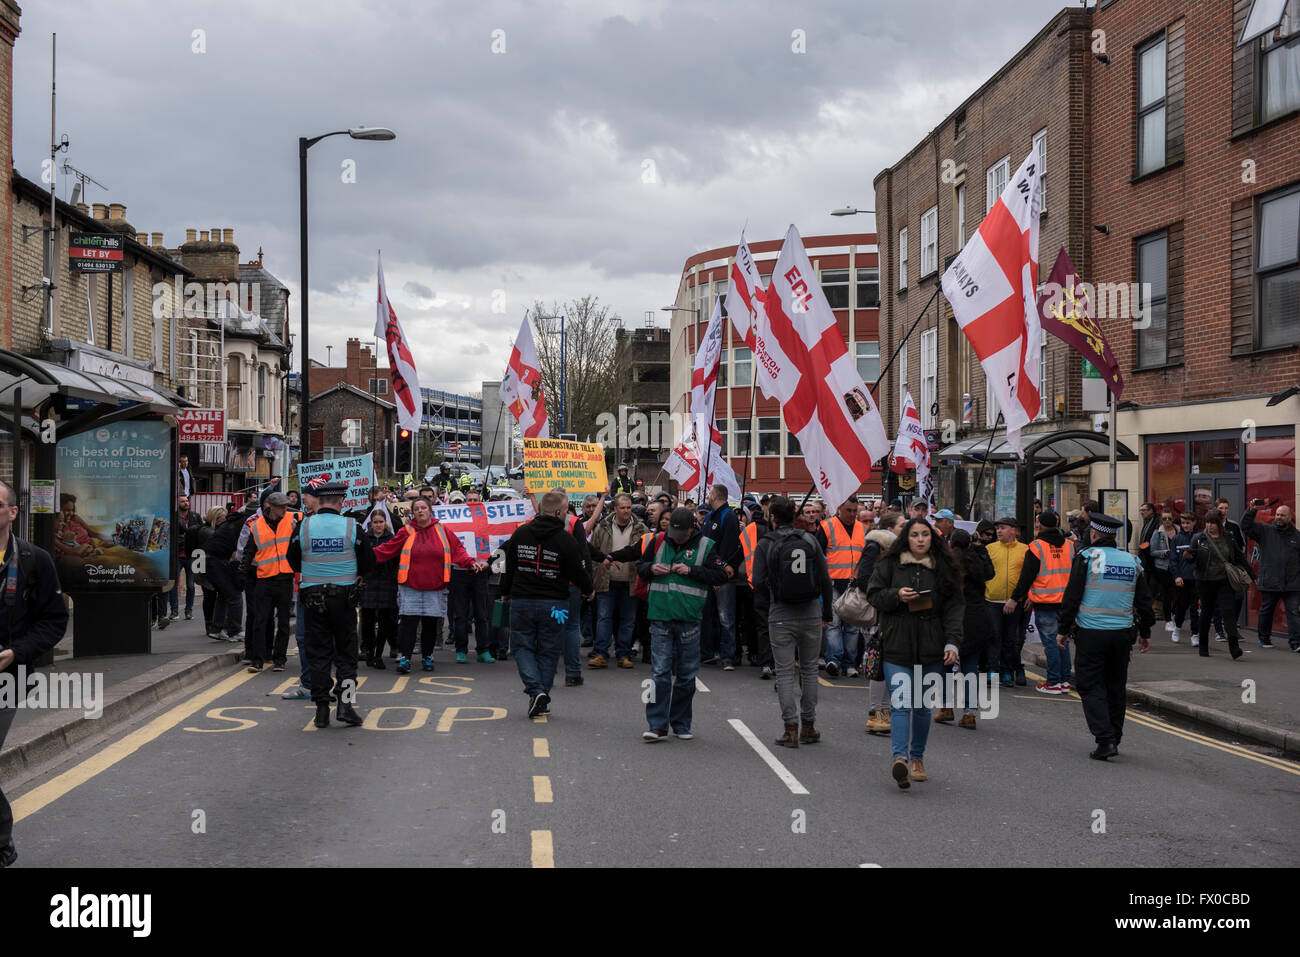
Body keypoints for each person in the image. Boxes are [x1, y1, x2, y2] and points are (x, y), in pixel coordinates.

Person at [0, 478, 69, 868]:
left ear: (12, 512)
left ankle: (1, 844)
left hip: (7, 677)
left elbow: (53, 622)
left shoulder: (33, 561)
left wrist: (15, 652)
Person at [865, 517, 964, 788]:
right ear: (905, 538)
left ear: (932, 538)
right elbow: (873, 594)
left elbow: (955, 607)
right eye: (914, 535)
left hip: (932, 647)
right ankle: (900, 759)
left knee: (921, 707)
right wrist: (897, 595)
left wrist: (952, 643)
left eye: (925, 535)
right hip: (897, 644)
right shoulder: (889, 564)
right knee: (900, 704)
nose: (920, 539)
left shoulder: (944, 568)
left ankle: (917, 757)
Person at [1058, 512, 1154, 760]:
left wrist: (1062, 628)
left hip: (1091, 633)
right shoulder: (1132, 561)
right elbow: (1144, 601)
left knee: (1090, 685)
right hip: (1122, 635)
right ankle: (1115, 736)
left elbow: (1072, 597)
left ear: (1093, 534)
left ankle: (1105, 739)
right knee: (1115, 686)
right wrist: (1145, 632)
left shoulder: (1086, 557)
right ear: (1114, 536)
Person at [286, 482, 375, 728]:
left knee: (318, 654)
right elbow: (368, 562)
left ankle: (322, 709)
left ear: (320, 501)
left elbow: (292, 561)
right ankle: (345, 705)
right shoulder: (352, 526)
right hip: (344, 600)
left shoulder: (303, 526)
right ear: (340, 502)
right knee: (346, 655)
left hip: (312, 599)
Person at [501, 491, 595, 719]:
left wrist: (505, 591)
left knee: (522, 646)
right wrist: (588, 588)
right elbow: (577, 570)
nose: (566, 515)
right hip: (556, 604)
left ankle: (536, 691)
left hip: (522, 601)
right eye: (564, 511)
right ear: (557, 512)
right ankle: (540, 692)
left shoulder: (521, 533)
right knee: (549, 649)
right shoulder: (565, 539)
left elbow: (509, 566)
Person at [638, 507, 728, 741]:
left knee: (687, 676)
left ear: (692, 529)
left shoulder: (706, 546)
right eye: (673, 533)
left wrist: (691, 571)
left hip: (689, 618)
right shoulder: (658, 540)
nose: (675, 538)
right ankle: (657, 725)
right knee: (659, 673)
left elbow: (721, 575)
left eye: (681, 534)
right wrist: (650, 568)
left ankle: (680, 723)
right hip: (659, 616)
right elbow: (641, 566)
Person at [752, 495, 833, 747]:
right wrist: (827, 613)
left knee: (785, 672)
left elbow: (757, 580)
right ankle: (809, 725)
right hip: (810, 611)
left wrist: (774, 597)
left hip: (781, 614)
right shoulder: (808, 539)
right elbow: (824, 578)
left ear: (772, 517)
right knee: (809, 670)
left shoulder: (766, 543)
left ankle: (791, 728)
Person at [373, 498, 481, 674]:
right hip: (410, 586)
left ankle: (427, 657)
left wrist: (469, 562)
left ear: (430, 510)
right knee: (408, 624)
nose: (420, 511)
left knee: (430, 624)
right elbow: (386, 549)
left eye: (423, 508)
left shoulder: (442, 530)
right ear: (413, 513)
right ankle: (405, 658)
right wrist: (363, 554)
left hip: (435, 586)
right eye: (417, 509)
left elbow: (457, 549)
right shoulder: (406, 531)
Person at [1009, 509, 1075, 694]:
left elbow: (1026, 577)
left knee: (1051, 643)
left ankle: (1053, 681)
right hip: (1066, 602)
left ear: (1039, 526)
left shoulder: (1036, 547)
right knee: (1063, 641)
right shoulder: (1070, 546)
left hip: (1045, 602)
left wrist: (1015, 598)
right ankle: (1064, 681)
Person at [239, 491, 300, 673]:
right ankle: (258, 660)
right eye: (281, 506)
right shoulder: (256, 526)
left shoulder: (294, 518)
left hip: (285, 579)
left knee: (283, 623)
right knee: (260, 621)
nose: (284, 509)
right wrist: (242, 572)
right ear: (270, 507)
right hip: (264, 580)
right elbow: (249, 551)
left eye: (285, 505)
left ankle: (279, 659)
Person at [944, 529, 995, 730]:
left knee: (946, 665)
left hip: (953, 617)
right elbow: (991, 573)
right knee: (970, 667)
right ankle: (969, 711)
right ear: (969, 545)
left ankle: (946, 706)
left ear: (951, 544)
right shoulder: (977, 562)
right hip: (976, 617)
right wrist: (980, 550)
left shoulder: (948, 564)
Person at [588, 493, 647, 669]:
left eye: (629, 507)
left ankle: (623, 654)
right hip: (607, 580)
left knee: (628, 619)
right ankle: (601, 653)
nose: (627, 511)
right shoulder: (603, 526)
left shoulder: (641, 529)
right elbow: (594, 552)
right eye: (623, 508)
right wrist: (593, 577)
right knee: (604, 618)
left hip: (630, 581)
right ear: (615, 509)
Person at [861, 511, 904, 734]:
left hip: (891, 611)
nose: (905, 529)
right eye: (901, 525)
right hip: (878, 613)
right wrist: (886, 591)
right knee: (878, 665)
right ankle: (875, 713)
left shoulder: (895, 549)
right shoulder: (875, 545)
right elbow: (863, 578)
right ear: (889, 528)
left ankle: (883, 713)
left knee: (889, 665)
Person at [817, 498, 867, 678]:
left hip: (854, 585)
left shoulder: (862, 528)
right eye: (849, 510)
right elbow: (819, 555)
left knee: (853, 627)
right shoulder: (826, 526)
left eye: (855, 511)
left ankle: (849, 663)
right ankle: (834, 660)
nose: (853, 514)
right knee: (833, 624)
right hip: (833, 583)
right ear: (839, 508)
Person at [1241, 502, 1299, 651]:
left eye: (1282, 515)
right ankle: (1264, 638)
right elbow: (1246, 526)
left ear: (1290, 517)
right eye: (1277, 514)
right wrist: (1252, 511)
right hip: (1271, 580)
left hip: (1292, 582)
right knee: (1266, 611)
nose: (1279, 517)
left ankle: (1295, 643)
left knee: (1293, 612)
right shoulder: (1265, 530)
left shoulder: (1297, 536)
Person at [1189, 510, 1246, 660]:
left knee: (1228, 613)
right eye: (1207, 522)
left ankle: (1234, 648)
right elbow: (1192, 558)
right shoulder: (1199, 538)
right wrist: (1188, 556)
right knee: (1206, 613)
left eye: (1213, 523)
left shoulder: (1228, 537)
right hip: (1205, 582)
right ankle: (1203, 647)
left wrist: (1252, 576)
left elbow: (1239, 557)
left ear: (1219, 523)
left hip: (1224, 581)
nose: (1210, 526)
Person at [449, 490, 496, 664]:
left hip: (480, 573)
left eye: (475, 500)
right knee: (460, 615)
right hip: (459, 573)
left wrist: (489, 564)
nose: (472, 502)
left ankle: (483, 650)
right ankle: (461, 650)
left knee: (482, 614)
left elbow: (501, 543)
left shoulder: (486, 522)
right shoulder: (455, 522)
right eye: (469, 500)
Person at [699, 484, 741, 670]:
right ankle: (707, 653)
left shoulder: (729, 516)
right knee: (706, 616)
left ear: (715, 495)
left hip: (723, 576)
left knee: (726, 618)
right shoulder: (708, 517)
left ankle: (727, 657)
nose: (708, 496)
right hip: (707, 575)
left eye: (710, 494)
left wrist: (720, 574)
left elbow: (729, 547)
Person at [985, 515, 1029, 687]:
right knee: (994, 637)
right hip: (992, 600)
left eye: (1003, 528)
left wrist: (1027, 597)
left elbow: (1031, 576)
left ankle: (1006, 671)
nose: (999, 531)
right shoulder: (990, 548)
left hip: (1015, 601)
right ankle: (991, 670)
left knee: (1010, 639)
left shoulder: (1025, 549)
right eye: (998, 528)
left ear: (1014, 530)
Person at [359, 507, 399, 668]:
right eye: (375, 522)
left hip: (386, 582)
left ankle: (378, 654)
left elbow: (397, 560)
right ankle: (369, 651)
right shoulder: (364, 537)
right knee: (367, 622)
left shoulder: (391, 538)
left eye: (381, 522)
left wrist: (394, 577)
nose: (378, 525)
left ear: (385, 523)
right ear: (371, 523)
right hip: (369, 582)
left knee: (385, 621)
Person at [170, 495, 204, 621]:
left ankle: (188, 610)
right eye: (183, 501)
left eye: (187, 501)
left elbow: (200, 532)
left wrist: (185, 536)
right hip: (177, 555)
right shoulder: (174, 517)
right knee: (173, 584)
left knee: (191, 585)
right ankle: (174, 611)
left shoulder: (195, 516)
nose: (186, 503)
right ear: (177, 504)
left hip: (192, 555)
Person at [192, 506, 225, 637]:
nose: (225, 520)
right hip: (206, 568)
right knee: (211, 597)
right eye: (223, 518)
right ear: (215, 518)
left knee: (212, 596)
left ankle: (213, 624)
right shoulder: (208, 532)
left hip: (205, 567)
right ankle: (211, 624)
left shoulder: (209, 530)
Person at [1170, 512, 1201, 645]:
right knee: (1181, 607)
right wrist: (1176, 576)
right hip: (1183, 579)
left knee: (1195, 609)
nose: (1185, 525)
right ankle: (1177, 628)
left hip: (1197, 579)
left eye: (1188, 523)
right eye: (1183, 523)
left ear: (1194, 523)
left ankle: (1195, 634)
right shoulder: (1177, 539)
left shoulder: (1200, 538)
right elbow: (1173, 561)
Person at [1149, 509, 1178, 636]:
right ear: (1161, 520)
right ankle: (1168, 619)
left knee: (1178, 592)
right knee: (1167, 592)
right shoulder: (1158, 533)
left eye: (1169, 519)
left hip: (1177, 566)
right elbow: (1152, 551)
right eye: (1165, 519)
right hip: (1163, 567)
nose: (1167, 521)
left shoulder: (1178, 530)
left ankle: (1174, 613)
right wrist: (1163, 552)